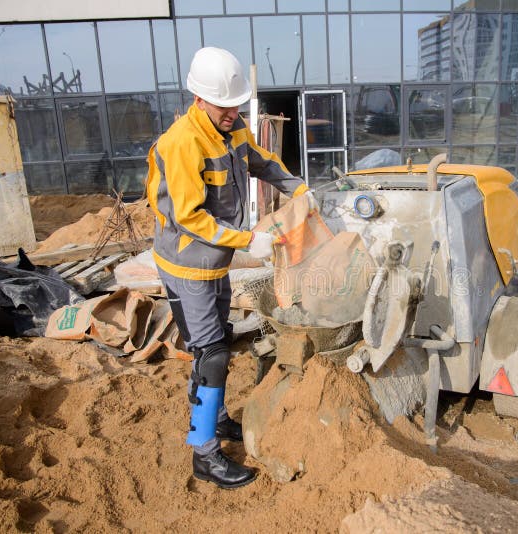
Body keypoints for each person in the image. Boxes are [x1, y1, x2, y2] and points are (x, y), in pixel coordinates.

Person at [145, 47, 316, 489]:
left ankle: (217, 419)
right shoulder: (182, 142)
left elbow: (262, 161)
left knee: (215, 343)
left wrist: (299, 190)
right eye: (224, 104)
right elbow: (190, 218)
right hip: (186, 263)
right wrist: (248, 241)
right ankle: (204, 454)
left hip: (213, 262)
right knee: (212, 354)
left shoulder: (233, 128)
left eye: (237, 104)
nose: (233, 112)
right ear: (199, 98)